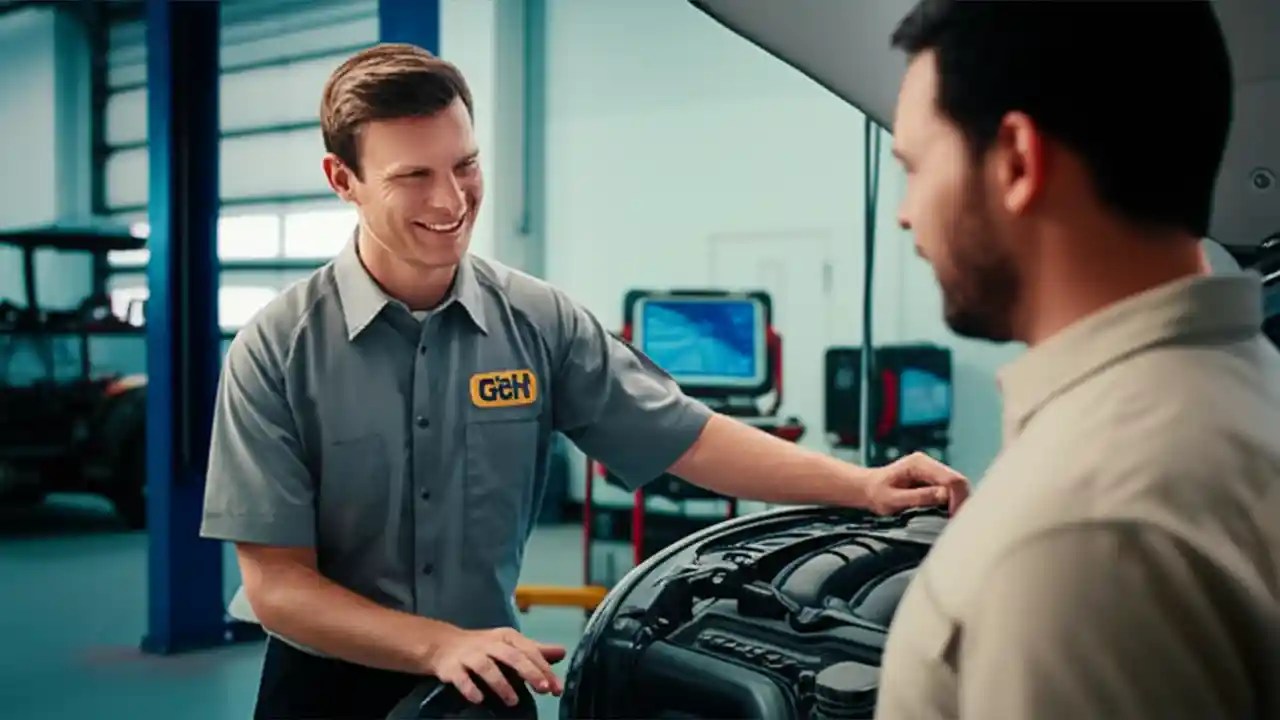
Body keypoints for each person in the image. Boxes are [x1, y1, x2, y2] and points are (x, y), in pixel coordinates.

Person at [199, 43, 970, 720]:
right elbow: (278, 587)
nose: (451, 199)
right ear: (344, 179)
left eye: (465, 164)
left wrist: (863, 487)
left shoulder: (536, 320)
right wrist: (436, 645)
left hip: (485, 681)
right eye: (412, 176)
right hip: (327, 687)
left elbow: (684, 436)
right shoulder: (277, 349)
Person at [876, 1, 1279, 719]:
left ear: (1018, 161)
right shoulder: (1247, 390)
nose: (906, 212)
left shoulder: (1074, 540)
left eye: (913, 166)